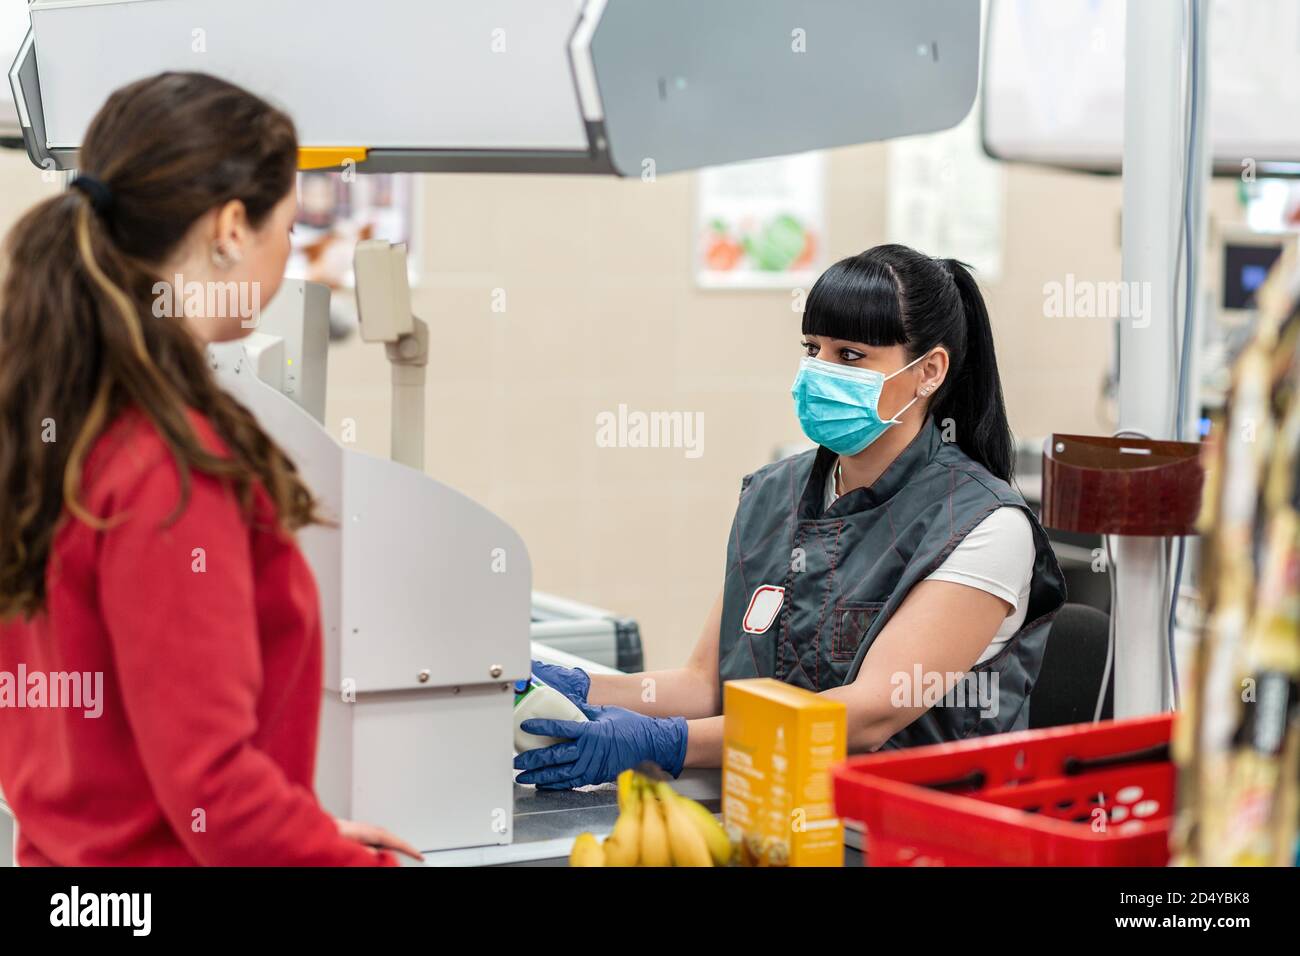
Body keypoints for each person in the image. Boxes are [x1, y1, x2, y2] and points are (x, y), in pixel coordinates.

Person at [0, 72, 419, 865]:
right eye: (285, 229)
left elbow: (121, 753)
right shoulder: (168, 471)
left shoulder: (60, 419)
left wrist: (298, 831)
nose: (288, 253)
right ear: (231, 228)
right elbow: (214, 791)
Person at [516, 244, 1066, 789]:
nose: (820, 371)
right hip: (772, 812)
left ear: (929, 372)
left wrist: (671, 742)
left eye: (851, 356)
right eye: (812, 348)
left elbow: (871, 714)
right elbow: (706, 684)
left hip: (915, 832)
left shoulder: (984, 525)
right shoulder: (774, 493)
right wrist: (579, 688)